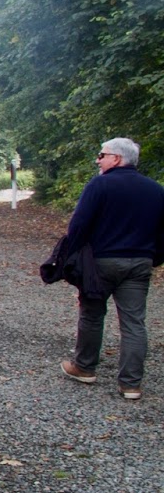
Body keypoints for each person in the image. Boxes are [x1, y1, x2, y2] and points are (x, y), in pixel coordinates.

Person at [59, 137, 164, 400]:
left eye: (102, 154)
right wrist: (155, 258)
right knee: (134, 323)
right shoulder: (155, 190)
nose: (98, 159)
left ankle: (84, 367)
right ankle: (130, 384)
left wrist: (72, 258)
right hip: (139, 262)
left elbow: (79, 224)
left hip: (101, 262)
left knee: (92, 314)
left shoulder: (100, 185)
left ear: (116, 158)